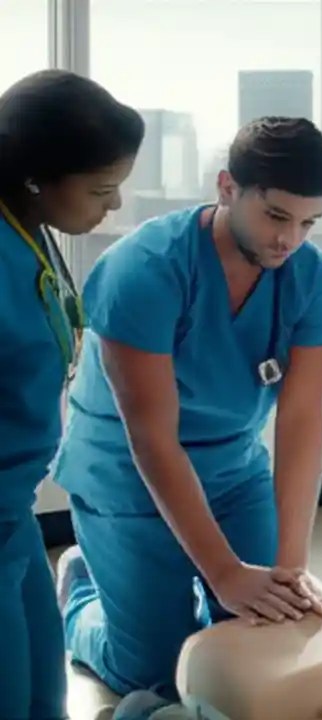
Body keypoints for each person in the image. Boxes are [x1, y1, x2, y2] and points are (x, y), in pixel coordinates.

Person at [54, 117, 322, 699]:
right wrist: (223, 573)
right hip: (126, 478)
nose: (290, 240)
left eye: (309, 223)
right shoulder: (144, 270)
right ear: (227, 188)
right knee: (157, 677)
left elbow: (300, 422)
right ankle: (81, 595)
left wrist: (290, 571)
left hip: (233, 473)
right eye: (276, 216)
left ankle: (158, 587)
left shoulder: (312, 280)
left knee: (270, 639)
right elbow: (152, 438)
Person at [0, 69, 142, 720]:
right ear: (37, 177)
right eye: (101, 189)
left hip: (14, 507)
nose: (112, 206)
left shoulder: (31, 231)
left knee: (42, 694)